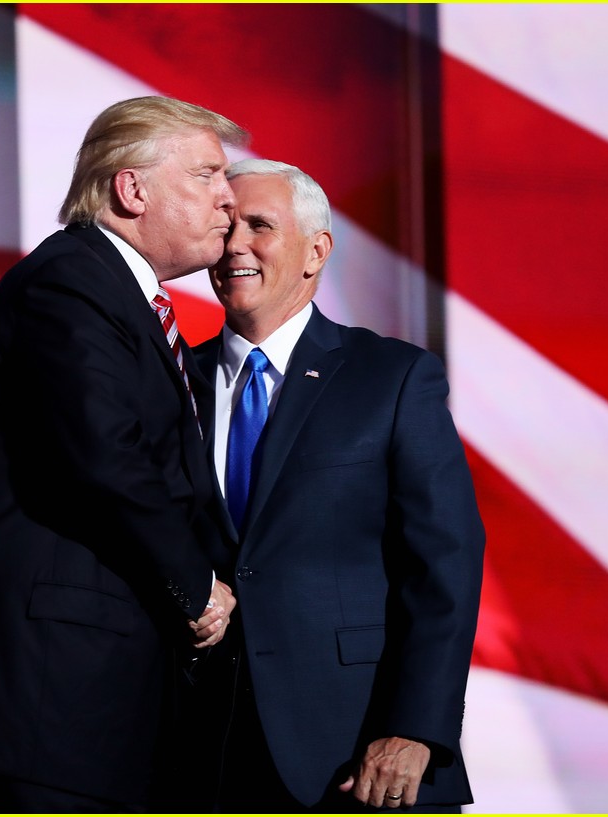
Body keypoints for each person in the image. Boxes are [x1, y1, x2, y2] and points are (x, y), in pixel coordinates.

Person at [0, 96, 246, 812]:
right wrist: (198, 586)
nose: (227, 198)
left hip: (78, 704)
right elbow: (104, 456)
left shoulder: (116, 294)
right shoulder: (72, 281)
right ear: (132, 189)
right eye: (207, 174)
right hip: (42, 697)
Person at [181, 159, 485, 813]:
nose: (235, 244)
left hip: (358, 754)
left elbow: (445, 564)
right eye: (225, 224)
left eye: (259, 225)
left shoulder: (393, 377)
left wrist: (416, 728)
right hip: (198, 754)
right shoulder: (166, 380)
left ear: (317, 249)